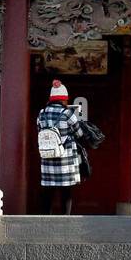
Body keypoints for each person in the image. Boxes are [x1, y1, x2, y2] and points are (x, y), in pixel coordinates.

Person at [35, 80, 89, 215]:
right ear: (64, 100)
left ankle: (44, 220)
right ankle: (65, 220)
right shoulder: (67, 114)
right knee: (66, 192)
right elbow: (79, 133)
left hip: (48, 158)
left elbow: (39, 130)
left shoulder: (42, 113)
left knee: (48, 192)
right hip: (65, 160)